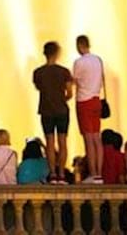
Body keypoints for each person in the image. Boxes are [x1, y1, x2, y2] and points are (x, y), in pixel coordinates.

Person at [33, 40, 73, 183]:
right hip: (62, 110)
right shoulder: (64, 72)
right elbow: (70, 92)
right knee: (62, 142)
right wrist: (62, 99)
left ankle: (53, 174)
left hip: (46, 110)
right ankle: (62, 174)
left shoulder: (38, 72)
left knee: (49, 142)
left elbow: (39, 88)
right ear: (56, 53)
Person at [73, 35, 105, 183]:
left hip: (84, 101)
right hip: (96, 100)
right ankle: (99, 173)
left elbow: (75, 81)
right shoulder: (98, 60)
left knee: (88, 139)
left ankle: (93, 174)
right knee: (97, 138)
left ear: (80, 45)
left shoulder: (79, 62)